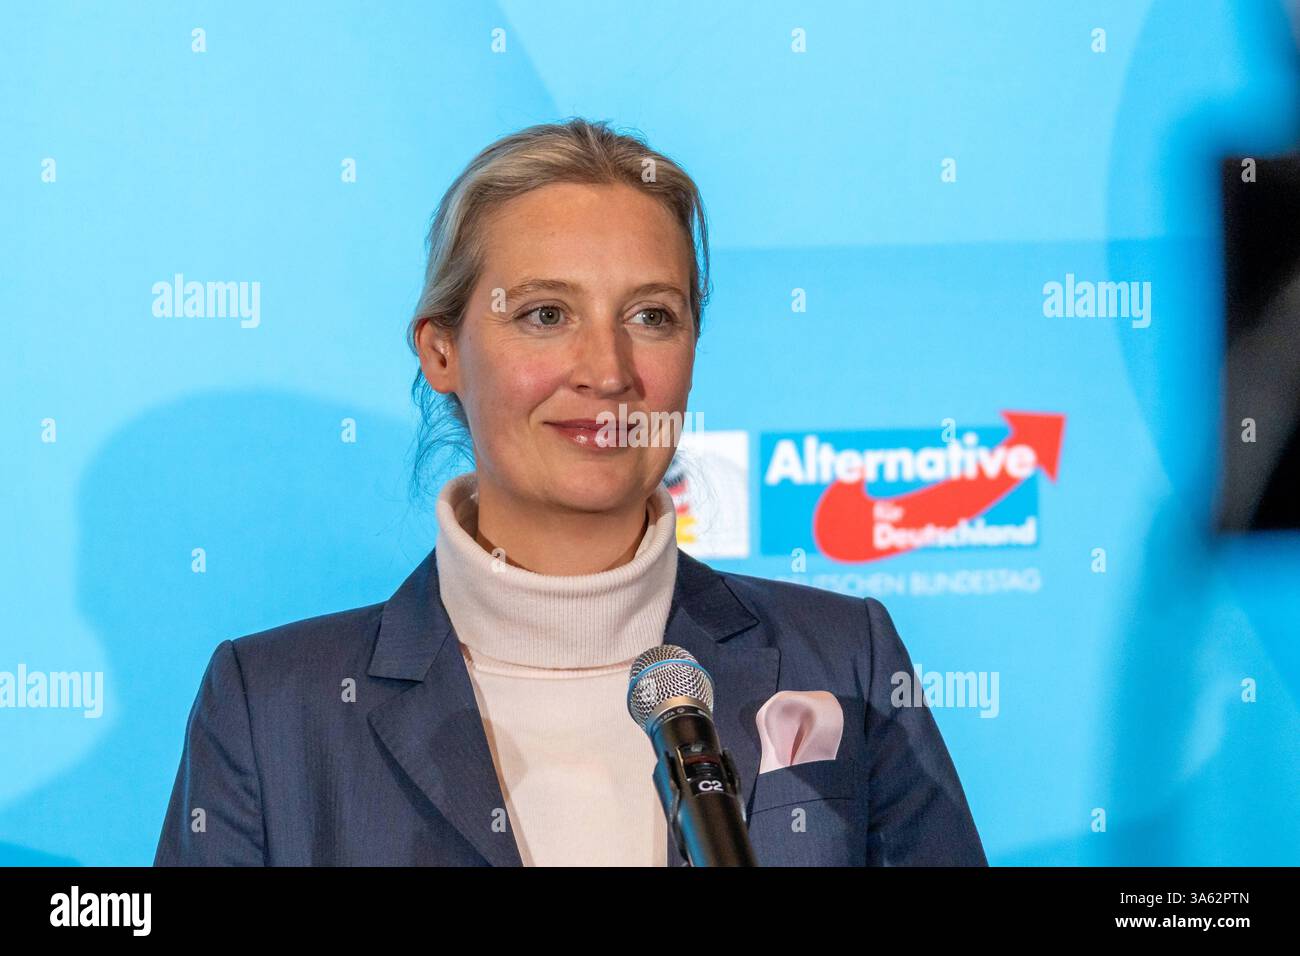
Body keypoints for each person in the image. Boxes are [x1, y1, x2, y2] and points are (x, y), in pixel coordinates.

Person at [154, 117, 987, 867]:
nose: (609, 372)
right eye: (546, 315)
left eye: (652, 315)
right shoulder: (271, 708)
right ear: (442, 351)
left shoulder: (843, 656)